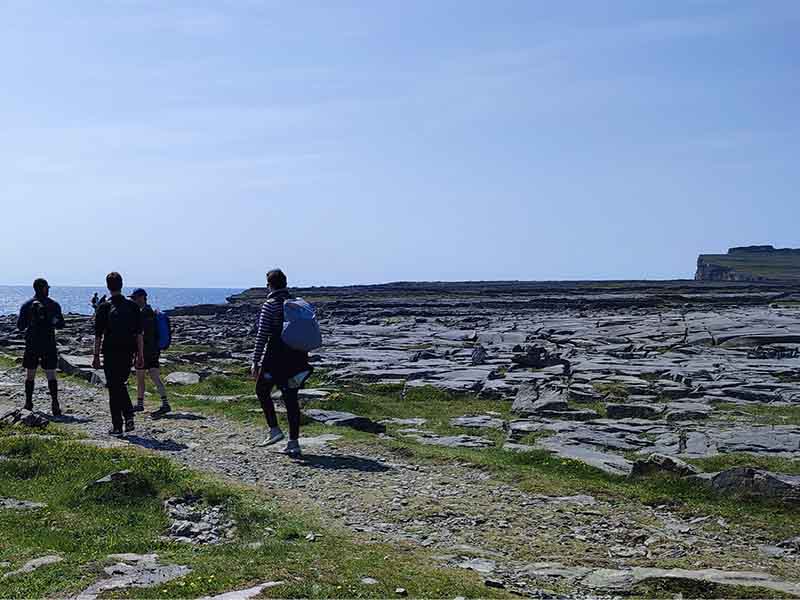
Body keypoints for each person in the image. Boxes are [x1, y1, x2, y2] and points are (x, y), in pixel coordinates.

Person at [252, 268, 312, 457]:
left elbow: (262, 335)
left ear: (269, 285)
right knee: (291, 398)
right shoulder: (297, 304)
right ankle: (294, 443)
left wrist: (255, 360)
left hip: (276, 357)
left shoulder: (270, 304)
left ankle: (274, 430)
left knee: (262, 390)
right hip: (297, 356)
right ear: (285, 284)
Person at [92, 272, 144, 436]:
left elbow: (98, 335)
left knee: (114, 386)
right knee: (119, 384)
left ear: (108, 286)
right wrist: (140, 355)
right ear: (121, 285)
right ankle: (127, 418)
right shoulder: (133, 306)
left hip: (110, 351)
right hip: (128, 351)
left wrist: (95, 356)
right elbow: (139, 333)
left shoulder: (104, 307)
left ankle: (118, 424)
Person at [17, 278, 65, 416]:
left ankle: (28, 402)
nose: (48, 290)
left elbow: (20, 326)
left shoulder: (27, 305)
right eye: (47, 288)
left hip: (32, 342)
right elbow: (61, 324)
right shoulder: (53, 305)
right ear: (44, 288)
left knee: (30, 374)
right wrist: (51, 320)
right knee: (51, 374)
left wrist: (30, 320)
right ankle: (55, 403)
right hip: (48, 342)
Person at [130, 288, 171, 416]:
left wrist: (138, 353)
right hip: (154, 350)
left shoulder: (143, 314)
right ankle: (165, 403)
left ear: (141, 298)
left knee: (140, 378)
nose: (133, 301)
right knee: (155, 377)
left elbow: (141, 335)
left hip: (143, 351)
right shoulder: (153, 313)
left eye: (134, 298)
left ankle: (140, 404)